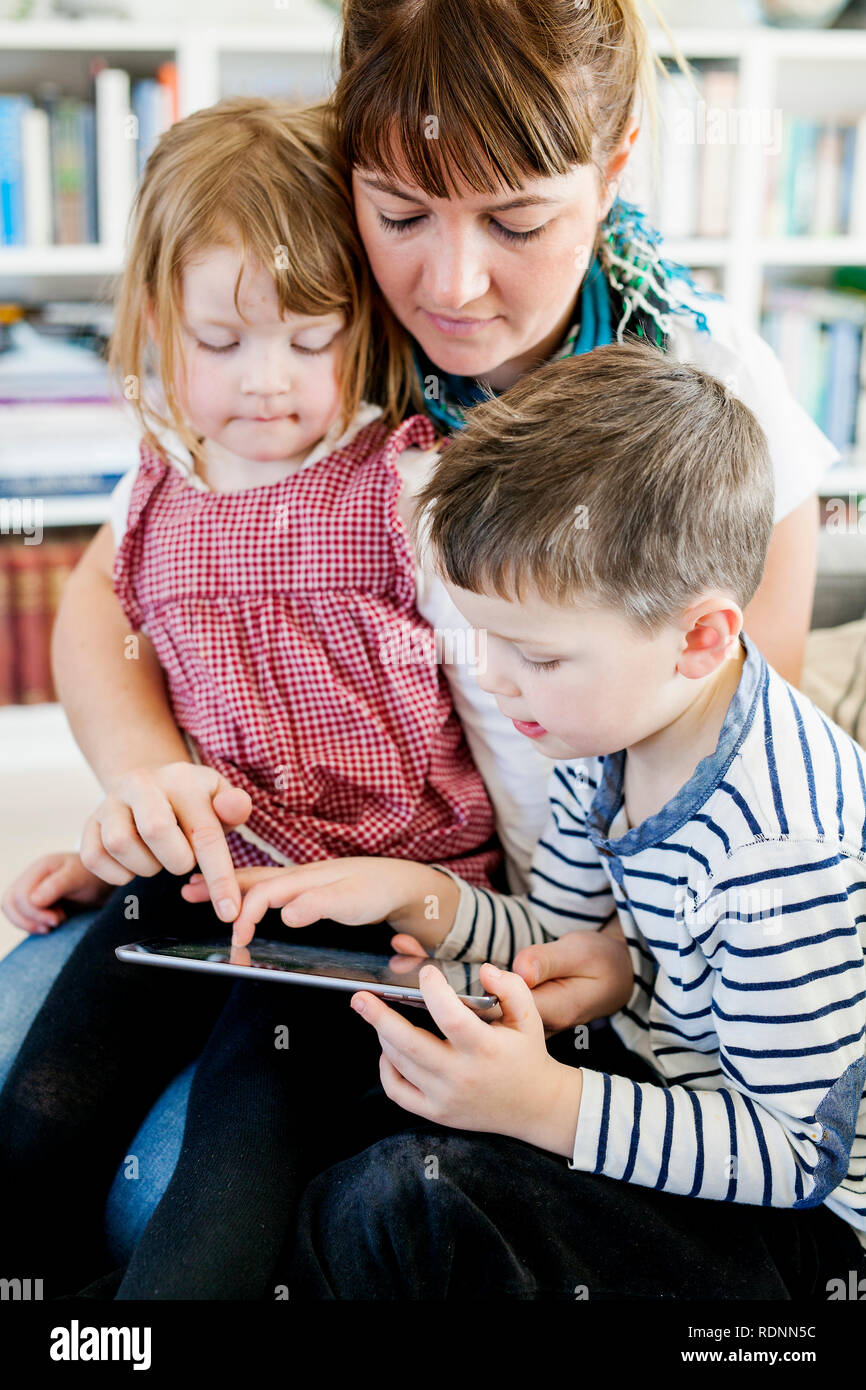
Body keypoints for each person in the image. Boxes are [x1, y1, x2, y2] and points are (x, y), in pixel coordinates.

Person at [0, 0, 839, 1259]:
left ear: (609, 170)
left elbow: (689, 803)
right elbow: (112, 590)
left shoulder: (704, 414)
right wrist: (146, 794)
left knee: (190, 1195)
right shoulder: (317, 312)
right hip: (295, 871)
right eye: (400, 213)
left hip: (509, 931)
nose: (450, 284)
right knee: (30, 1080)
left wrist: (589, 969)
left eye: (516, 220)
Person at [214, 342, 864, 1300]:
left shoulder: (778, 856)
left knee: (417, 1200)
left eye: (536, 655)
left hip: (802, 1235)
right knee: (368, 1078)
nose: (492, 676)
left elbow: (796, 1153)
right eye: (482, 636)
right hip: (662, 1093)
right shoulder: (605, 724)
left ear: (701, 638)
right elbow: (558, 939)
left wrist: (548, 1104)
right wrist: (416, 894)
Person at [0, 95, 505, 1300]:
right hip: (198, 873)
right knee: (39, 1110)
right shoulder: (156, 479)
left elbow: (522, 724)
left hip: (357, 908)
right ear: (158, 326)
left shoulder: (409, 491)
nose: (264, 385)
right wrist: (130, 823)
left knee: (236, 1159)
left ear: (365, 321)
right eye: (218, 344)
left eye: (305, 336)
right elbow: (130, 661)